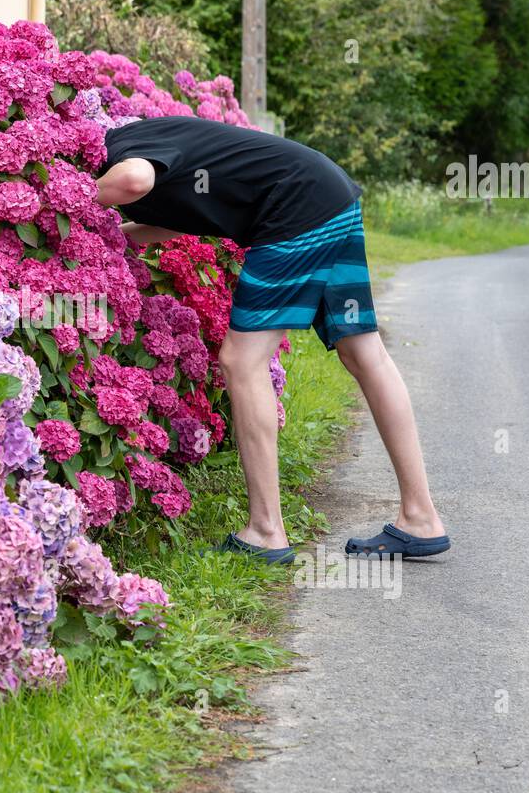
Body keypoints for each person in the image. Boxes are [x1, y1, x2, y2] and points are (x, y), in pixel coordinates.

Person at [95, 115, 449, 565]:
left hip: (293, 211)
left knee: (242, 362)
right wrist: (114, 237)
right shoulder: (154, 139)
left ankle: (265, 530)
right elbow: (173, 221)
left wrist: (68, 199)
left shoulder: (118, 146)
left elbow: (132, 179)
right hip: (328, 195)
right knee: (364, 352)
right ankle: (420, 516)